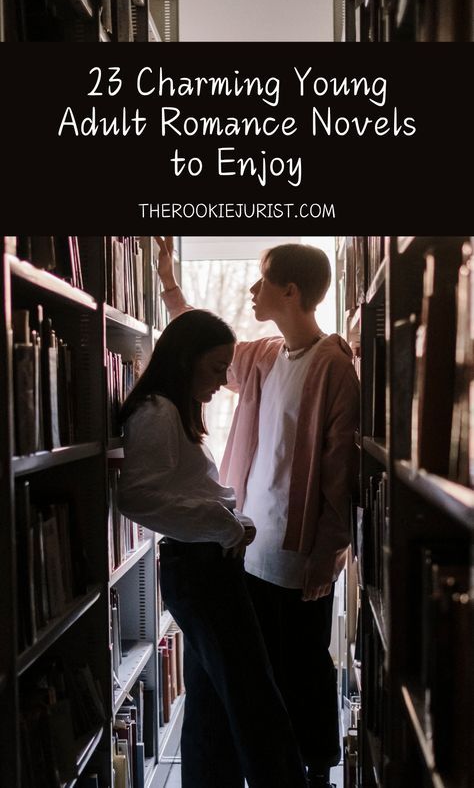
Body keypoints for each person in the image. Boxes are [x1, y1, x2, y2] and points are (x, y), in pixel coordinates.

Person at [157, 236, 360, 788]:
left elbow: (340, 475)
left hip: (299, 562)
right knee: (255, 686)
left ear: (289, 291)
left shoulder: (334, 366)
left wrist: (327, 556)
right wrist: (171, 286)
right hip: (249, 550)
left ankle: (313, 772)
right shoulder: (267, 356)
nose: (252, 290)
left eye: (262, 280)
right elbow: (206, 344)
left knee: (302, 673)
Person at [117, 308, 308, 788]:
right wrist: (225, 527)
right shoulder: (158, 412)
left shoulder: (172, 411)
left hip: (203, 568)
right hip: (201, 571)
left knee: (212, 707)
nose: (224, 381)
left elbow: (193, 493)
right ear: (185, 361)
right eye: (216, 368)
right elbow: (139, 497)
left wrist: (230, 523)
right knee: (255, 701)